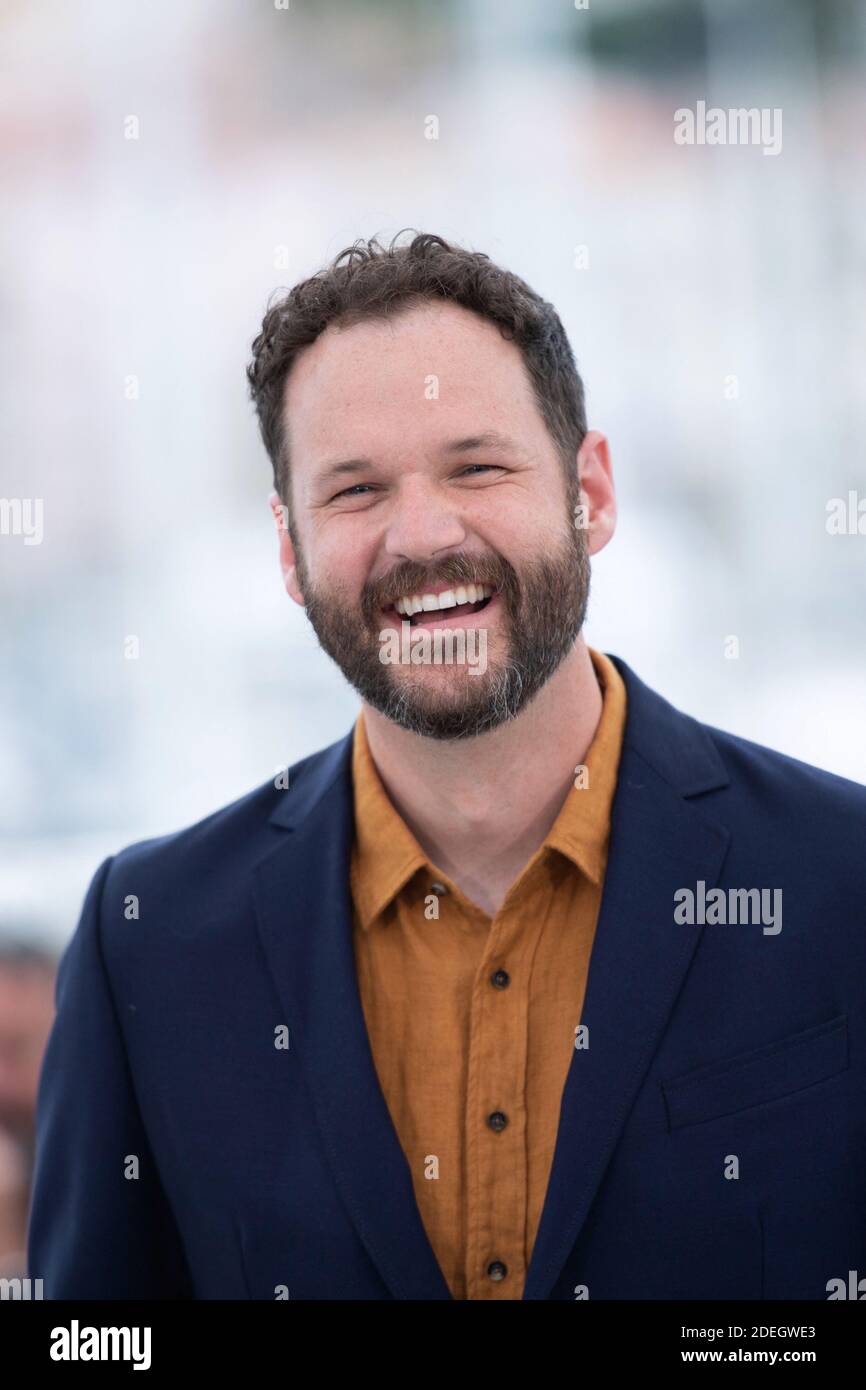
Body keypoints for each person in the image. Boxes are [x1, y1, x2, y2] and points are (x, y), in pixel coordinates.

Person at [28, 232, 866, 1301]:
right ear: (288, 549)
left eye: (476, 466)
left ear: (590, 493)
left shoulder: (838, 879)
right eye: (354, 491)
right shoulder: (146, 942)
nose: (420, 535)